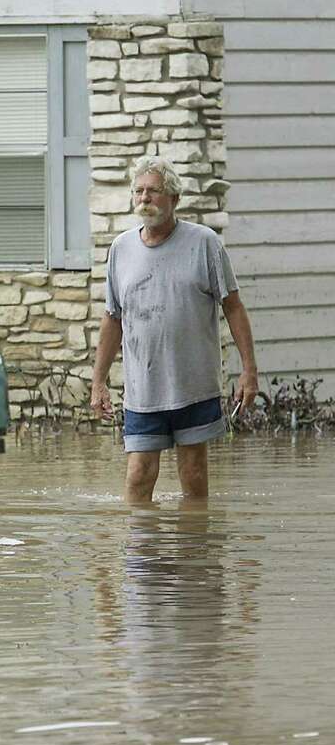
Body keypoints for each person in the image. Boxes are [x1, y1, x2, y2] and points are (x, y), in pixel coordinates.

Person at [91, 155, 259, 503]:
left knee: (194, 474)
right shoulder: (121, 249)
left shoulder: (205, 243)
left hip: (193, 384)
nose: (144, 198)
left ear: (174, 199)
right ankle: (141, 554)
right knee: (139, 474)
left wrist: (248, 371)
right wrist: (99, 382)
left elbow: (233, 307)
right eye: (138, 191)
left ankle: (195, 552)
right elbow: (112, 318)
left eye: (153, 191)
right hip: (143, 386)